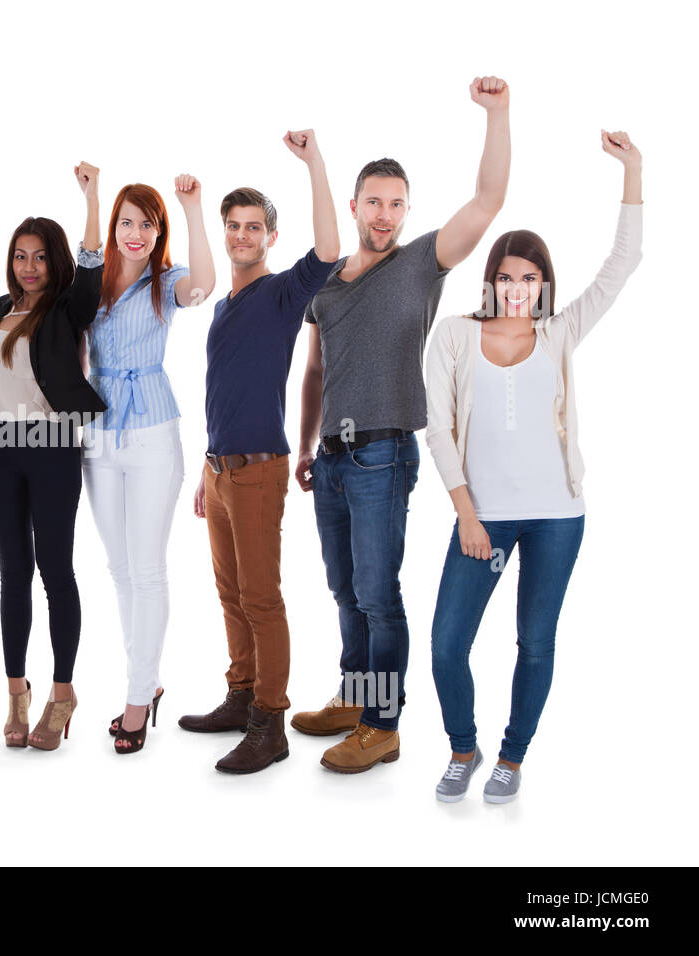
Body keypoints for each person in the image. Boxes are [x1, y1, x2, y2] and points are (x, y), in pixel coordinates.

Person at [292, 77, 512, 774]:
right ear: (354, 206)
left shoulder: (422, 264)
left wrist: (497, 115)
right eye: (373, 203)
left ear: (405, 210)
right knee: (342, 589)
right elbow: (316, 373)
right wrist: (304, 446)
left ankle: (383, 725)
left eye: (395, 204)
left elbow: (487, 202)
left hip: (384, 455)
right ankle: (357, 699)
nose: (383, 215)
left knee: (378, 595)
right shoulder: (325, 281)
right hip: (329, 457)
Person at [425, 131, 643, 804]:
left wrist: (633, 169)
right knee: (446, 647)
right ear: (490, 279)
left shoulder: (561, 332)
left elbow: (623, 262)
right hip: (482, 520)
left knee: (536, 643)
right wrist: (467, 513)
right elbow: (439, 428)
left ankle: (512, 758)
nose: (517, 287)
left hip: (557, 517)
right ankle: (464, 747)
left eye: (529, 277)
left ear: (543, 284)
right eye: (506, 276)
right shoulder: (457, 334)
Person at [180, 130, 340, 774]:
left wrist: (314, 162)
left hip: (259, 471)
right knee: (229, 591)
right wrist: (205, 466)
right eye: (234, 226)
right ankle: (241, 696)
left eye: (253, 227)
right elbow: (225, 391)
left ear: (270, 236)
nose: (242, 236)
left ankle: (269, 722)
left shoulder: (281, 295)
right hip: (220, 470)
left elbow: (329, 249)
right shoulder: (222, 306)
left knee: (261, 596)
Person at [0, 162, 105, 751]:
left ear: (55, 262)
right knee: (11, 575)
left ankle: (63, 691)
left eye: (39, 256)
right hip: (2, 451)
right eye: (21, 255)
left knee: (55, 569)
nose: (28, 266)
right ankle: (16, 692)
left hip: (51, 448)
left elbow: (94, 271)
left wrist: (93, 196)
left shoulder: (68, 307)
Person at [85, 174, 216, 755]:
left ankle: (138, 697)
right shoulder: (95, 280)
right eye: (126, 222)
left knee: (147, 569)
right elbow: (85, 251)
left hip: (153, 432)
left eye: (147, 223)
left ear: (158, 231)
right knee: (117, 568)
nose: (135, 233)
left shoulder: (169, 281)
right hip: (97, 432)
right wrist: (90, 196)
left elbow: (206, 286)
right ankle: (148, 675)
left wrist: (192, 209)